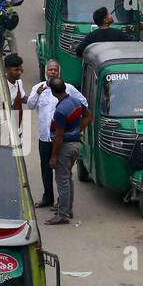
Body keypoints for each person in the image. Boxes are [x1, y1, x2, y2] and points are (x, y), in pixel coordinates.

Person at [27, 61, 87, 209]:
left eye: (55, 70)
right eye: (50, 70)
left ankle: (62, 202)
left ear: (59, 72)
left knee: (63, 173)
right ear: (46, 72)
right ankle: (48, 198)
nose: (53, 72)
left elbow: (83, 104)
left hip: (62, 139)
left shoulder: (67, 88)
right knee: (45, 169)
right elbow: (30, 105)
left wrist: (75, 128)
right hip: (44, 137)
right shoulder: (38, 88)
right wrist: (37, 93)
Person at [47, 77, 91, 224]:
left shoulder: (60, 111)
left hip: (65, 147)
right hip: (75, 145)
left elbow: (59, 136)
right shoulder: (76, 102)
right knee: (67, 178)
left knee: (62, 180)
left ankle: (63, 214)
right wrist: (77, 131)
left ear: (53, 92)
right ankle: (67, 209)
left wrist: (54, 157)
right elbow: (88, 115)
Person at [3, 53, 27, 131]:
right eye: (16, 70)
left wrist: (37, 95)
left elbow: (23, 98)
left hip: (17, 127)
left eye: (20, 69)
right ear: (7, 69)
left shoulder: (19, 82)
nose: (19, 72)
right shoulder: (3, 85)